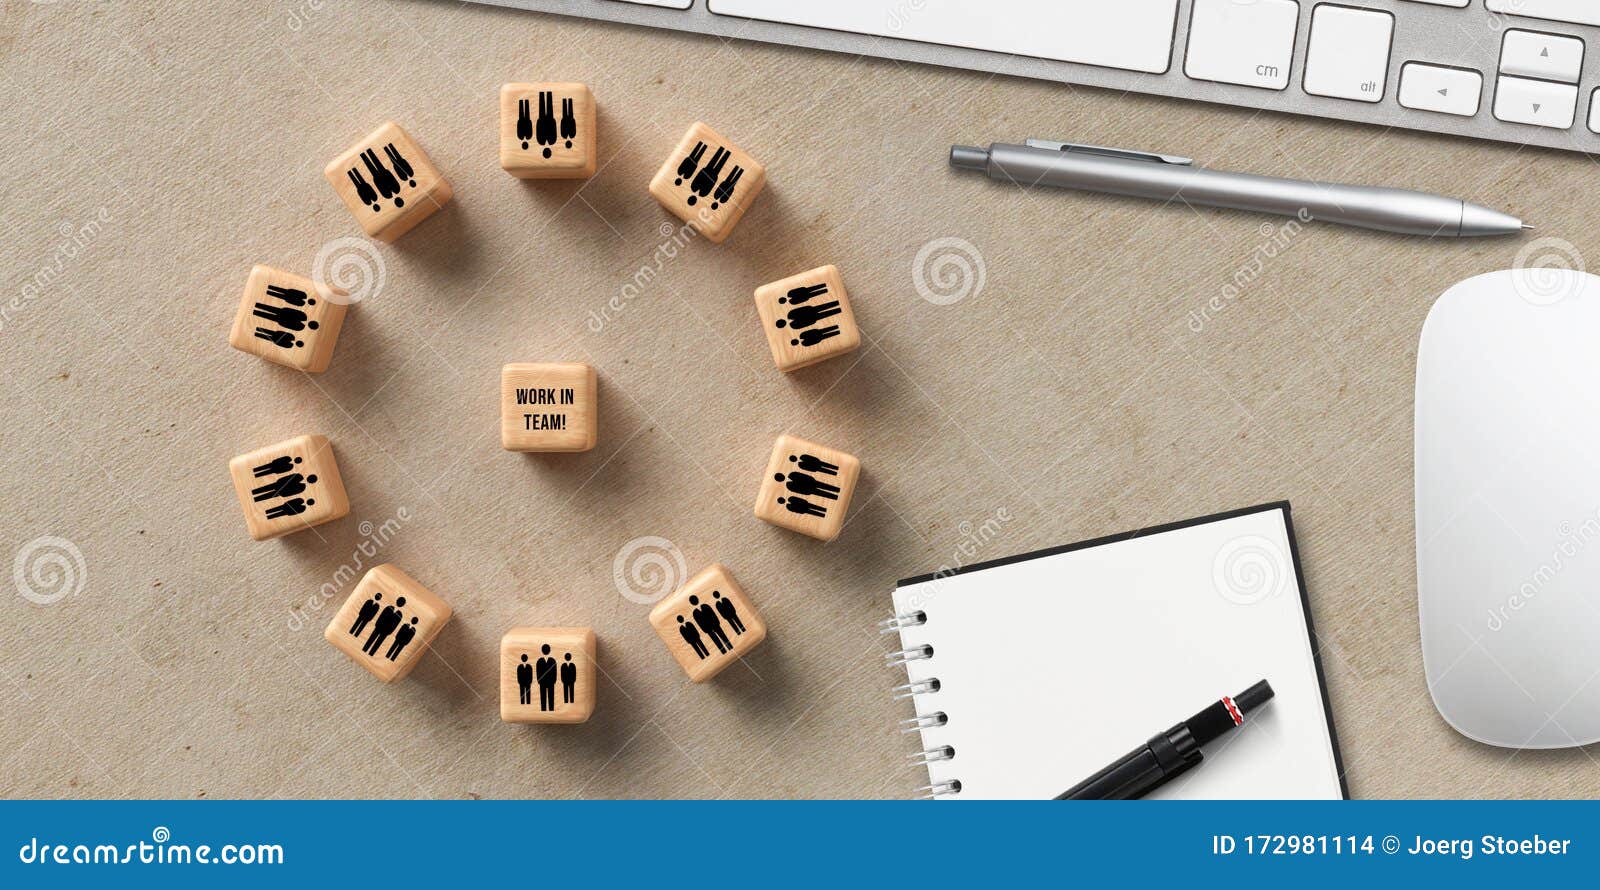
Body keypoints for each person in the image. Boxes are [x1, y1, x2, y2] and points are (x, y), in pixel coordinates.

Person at [535, 644, 558, 711]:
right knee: (543, 696)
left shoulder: (552, 660)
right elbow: (538, 672)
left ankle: (551, 708)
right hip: (542, 682)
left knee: (551, 696)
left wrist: (554, 680)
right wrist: (539, 681)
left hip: (551, 682)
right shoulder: (540, 661)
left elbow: (554, 671)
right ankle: (543, 709)